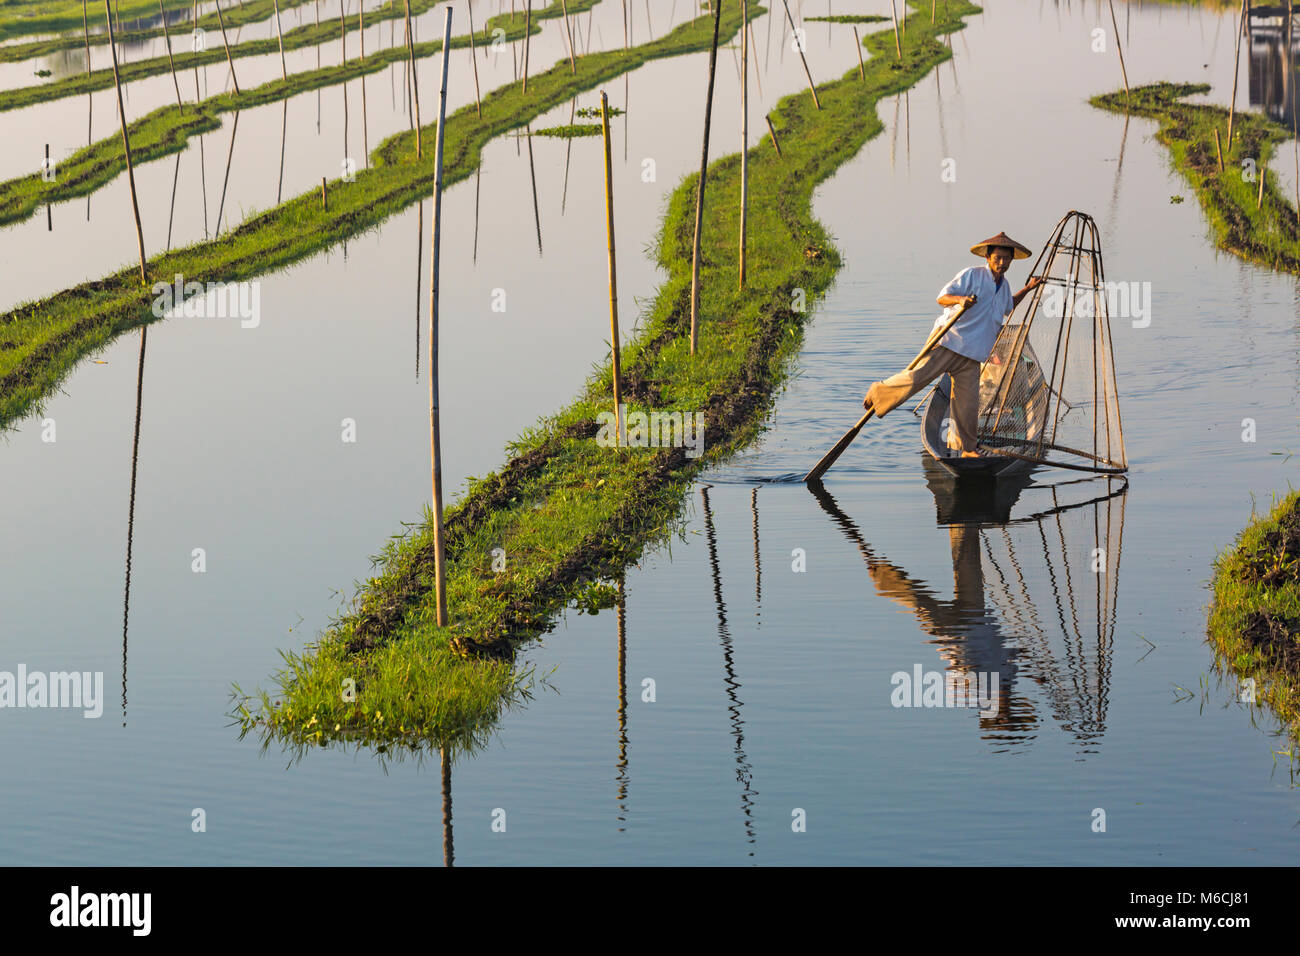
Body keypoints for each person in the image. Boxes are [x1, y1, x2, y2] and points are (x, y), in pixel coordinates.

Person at [863, 231, 1043, 457]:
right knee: (916, 378)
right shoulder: (973, 275)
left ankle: (966, 448)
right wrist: (961, 300)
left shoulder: (1004, 287)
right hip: (949, 341)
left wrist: (1027, 289)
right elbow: (943, 297)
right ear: (988, 258)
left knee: (967, 406)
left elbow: (1008, 306)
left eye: (1006, 259)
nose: (1002, 263)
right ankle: (878, 392)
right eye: (997, 258)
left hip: (974, 354)